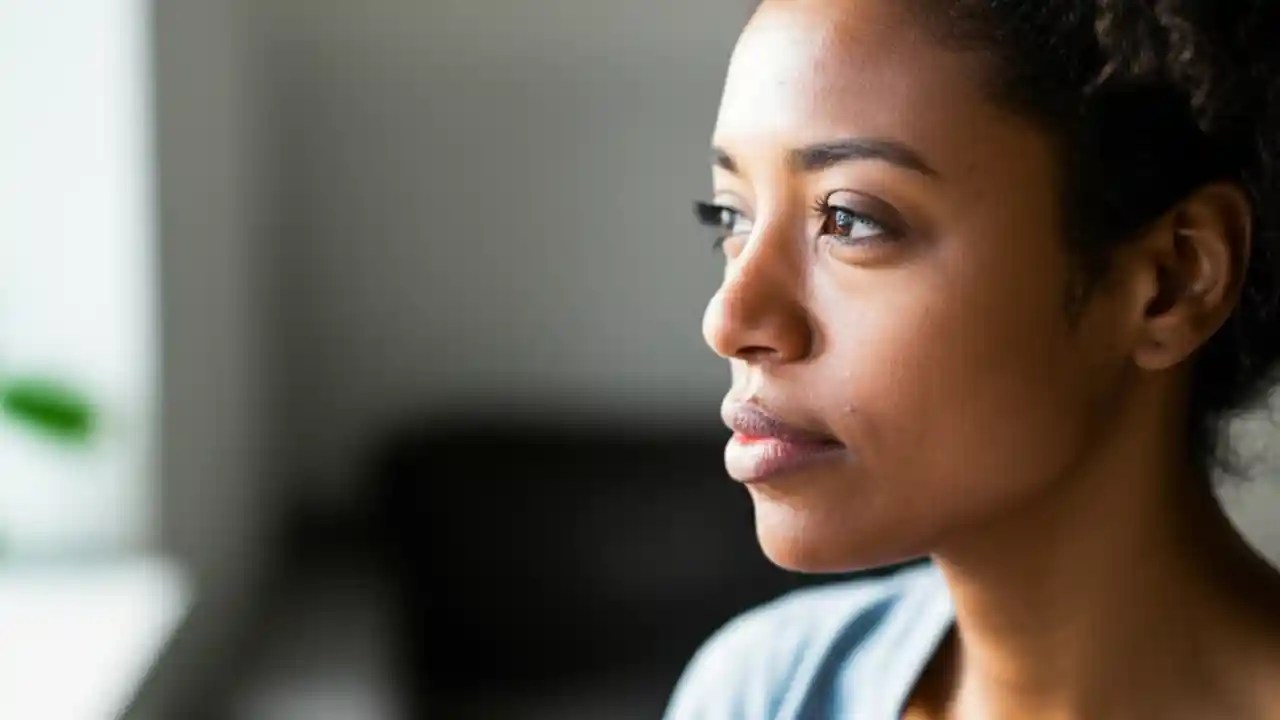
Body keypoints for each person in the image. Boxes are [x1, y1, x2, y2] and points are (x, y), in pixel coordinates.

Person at [668, 1, 1280, 718]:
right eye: (730, 217)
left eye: (851, 218)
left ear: (1173, 281)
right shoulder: (762, 691)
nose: (729, 319)